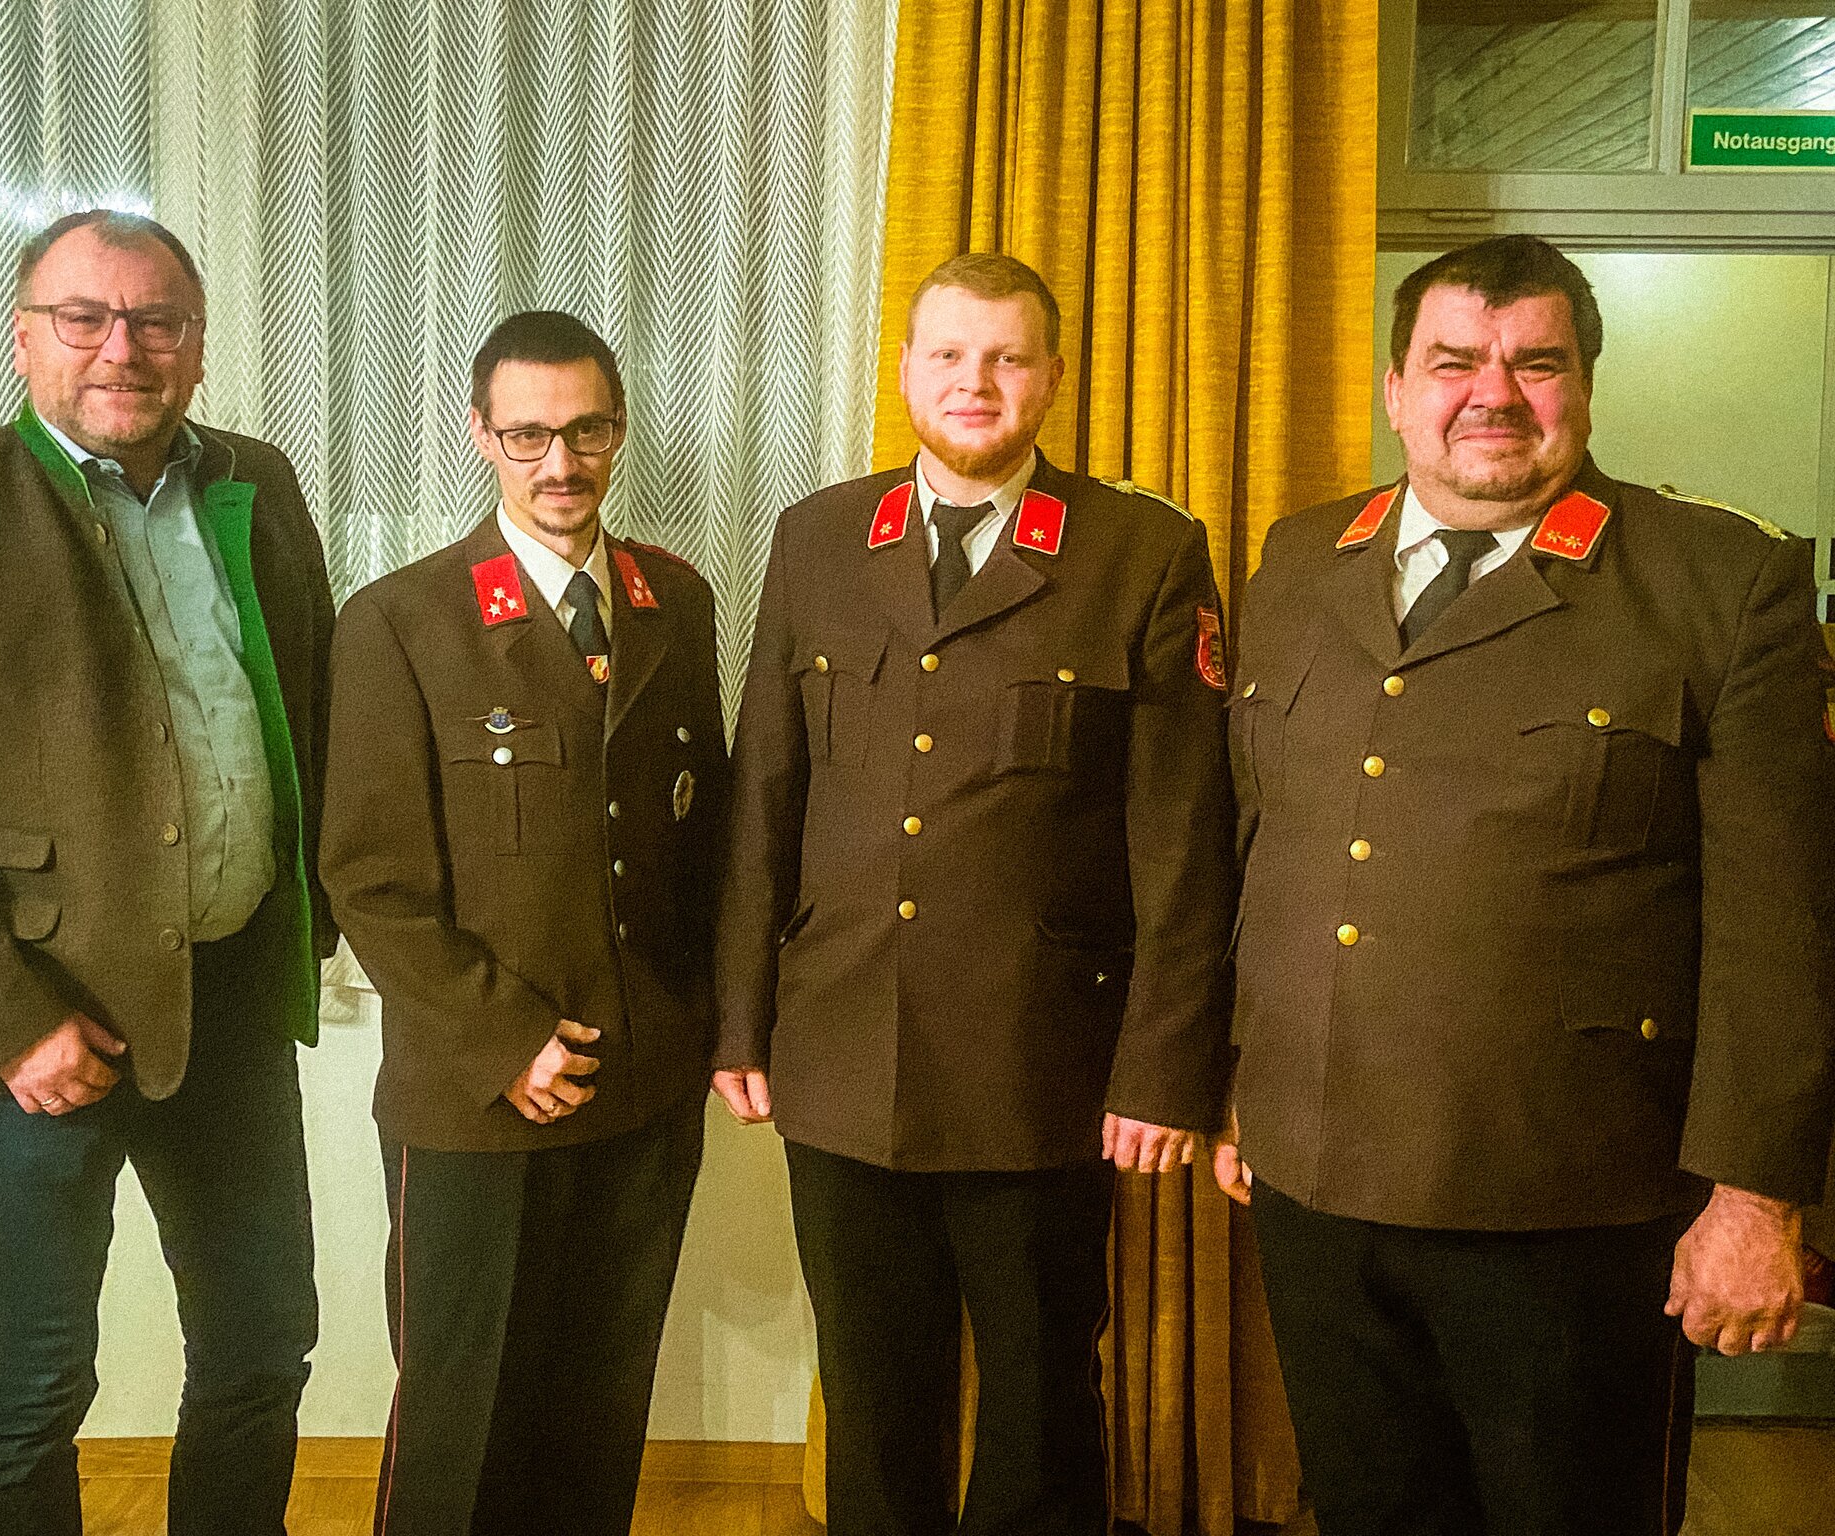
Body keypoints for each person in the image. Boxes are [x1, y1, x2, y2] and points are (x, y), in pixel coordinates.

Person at [1216, 234, 1835, 1534]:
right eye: (1453, 361)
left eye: (1535, 363)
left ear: (1585, 388)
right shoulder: (1301, 557)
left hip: (1574, 1199)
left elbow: (1782, 920)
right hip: (1317, 1173)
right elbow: (1264, 839)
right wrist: (1238, 1083)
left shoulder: (1719, 583)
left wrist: (1757, 1194)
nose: (1492, 392)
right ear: (1396, 388)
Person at [0, 209, 334, 1535]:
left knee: (266, 1351)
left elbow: (309, 714)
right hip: (37, 1023)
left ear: (198, 346)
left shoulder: (258, 486)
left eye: (155, 320)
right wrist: (11, 1023)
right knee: (35, 1380)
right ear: (23, 337)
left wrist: (318, 923)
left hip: (226, 1006)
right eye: (85, 318)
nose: (122, 349)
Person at [713, 253, 1238, 1536]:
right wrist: (738, 1022)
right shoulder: (822, 535)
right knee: (873, 1385)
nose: (974, 382)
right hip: (840, 1042)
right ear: (903, 370)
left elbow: (1183, 834)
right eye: (947, 354)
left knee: (1043, 1387)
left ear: (1051, 377)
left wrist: (1161, 1066)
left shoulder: (1141, 549)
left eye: (1006, 356)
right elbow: (762, 794)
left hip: (1040, 1062)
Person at [319, 310, 726, 1536]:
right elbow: (369, 877)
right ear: (481, 437)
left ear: (617, 431)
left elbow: (698, 834)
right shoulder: (402, 620)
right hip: (477, 1099)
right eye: (529, 434)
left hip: (641, 1089)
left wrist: (705, 1026)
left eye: (587, 430)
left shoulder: (674, 600)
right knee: (461, 1414)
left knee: (600, 1403)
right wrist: (508, 1043)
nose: (562, 464)